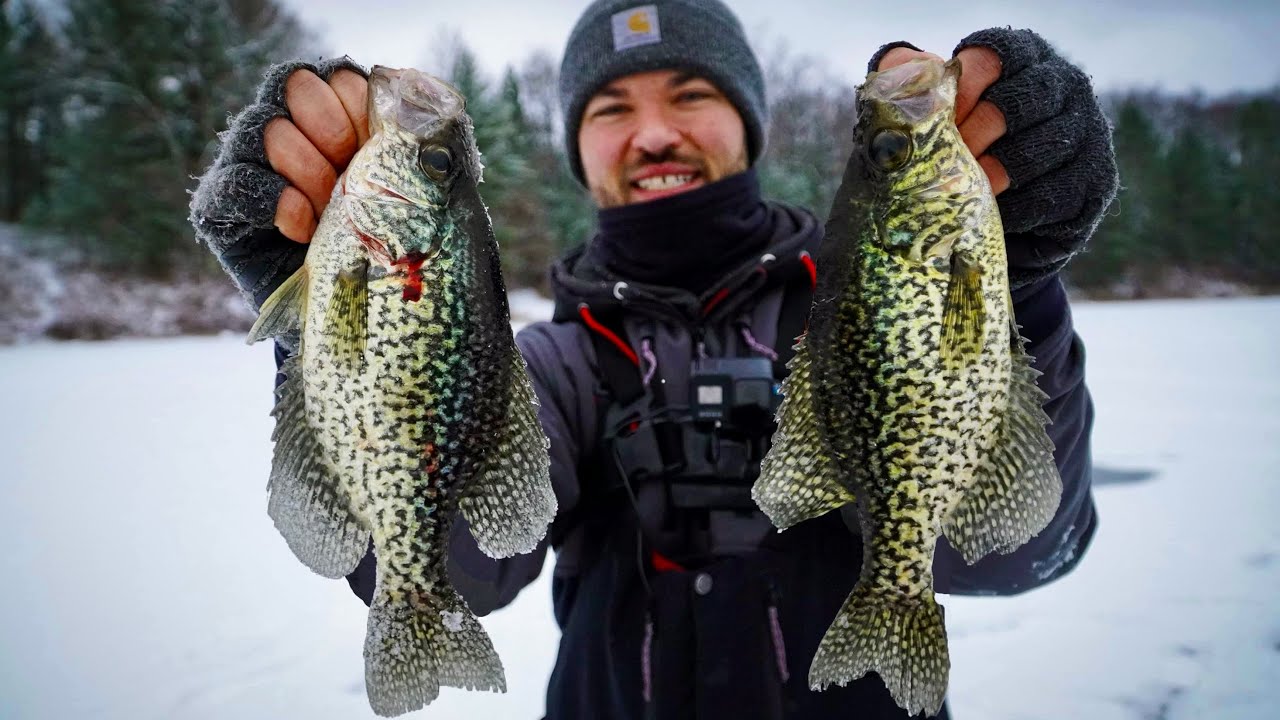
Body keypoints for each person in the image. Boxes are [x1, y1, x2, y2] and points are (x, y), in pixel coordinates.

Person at [190, 1, 1115, 717]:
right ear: (579, 148)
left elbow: (1012, 554)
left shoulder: (853, 310)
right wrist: (308, 322)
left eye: (691, 94)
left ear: (748, 122)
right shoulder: (551, 365)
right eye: (613, 106)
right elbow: (470, 561)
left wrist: (1014, 284)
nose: (654, 133)